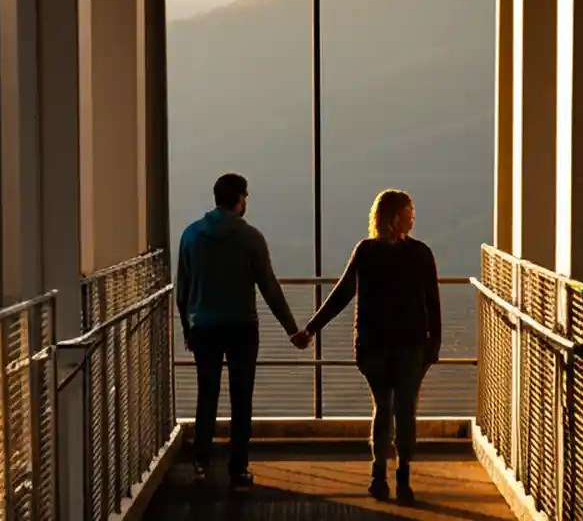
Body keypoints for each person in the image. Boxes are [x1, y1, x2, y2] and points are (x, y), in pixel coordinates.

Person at [291, 189, 441, 504]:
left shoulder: (366, 252)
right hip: (411, 344)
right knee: (405, 409)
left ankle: (378, 475)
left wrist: (311, 329)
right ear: (397, 216)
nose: (413, 217)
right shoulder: (420, 254)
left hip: (372, 344)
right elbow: (432, 303)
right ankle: (404, 478)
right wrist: (434, 346)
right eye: (409, 211)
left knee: (383, 407)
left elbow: (343, 294)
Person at [175, 173, 300, 490]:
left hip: (203, 326)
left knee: (207, 395)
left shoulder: (191, 236)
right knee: (241, 398)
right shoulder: (251, 238)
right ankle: (238, 469)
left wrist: (187, 328)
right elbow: (269, 288)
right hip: (242, 327)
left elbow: (183, 291)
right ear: (240, 199)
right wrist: (292, 330)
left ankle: (201, 463)